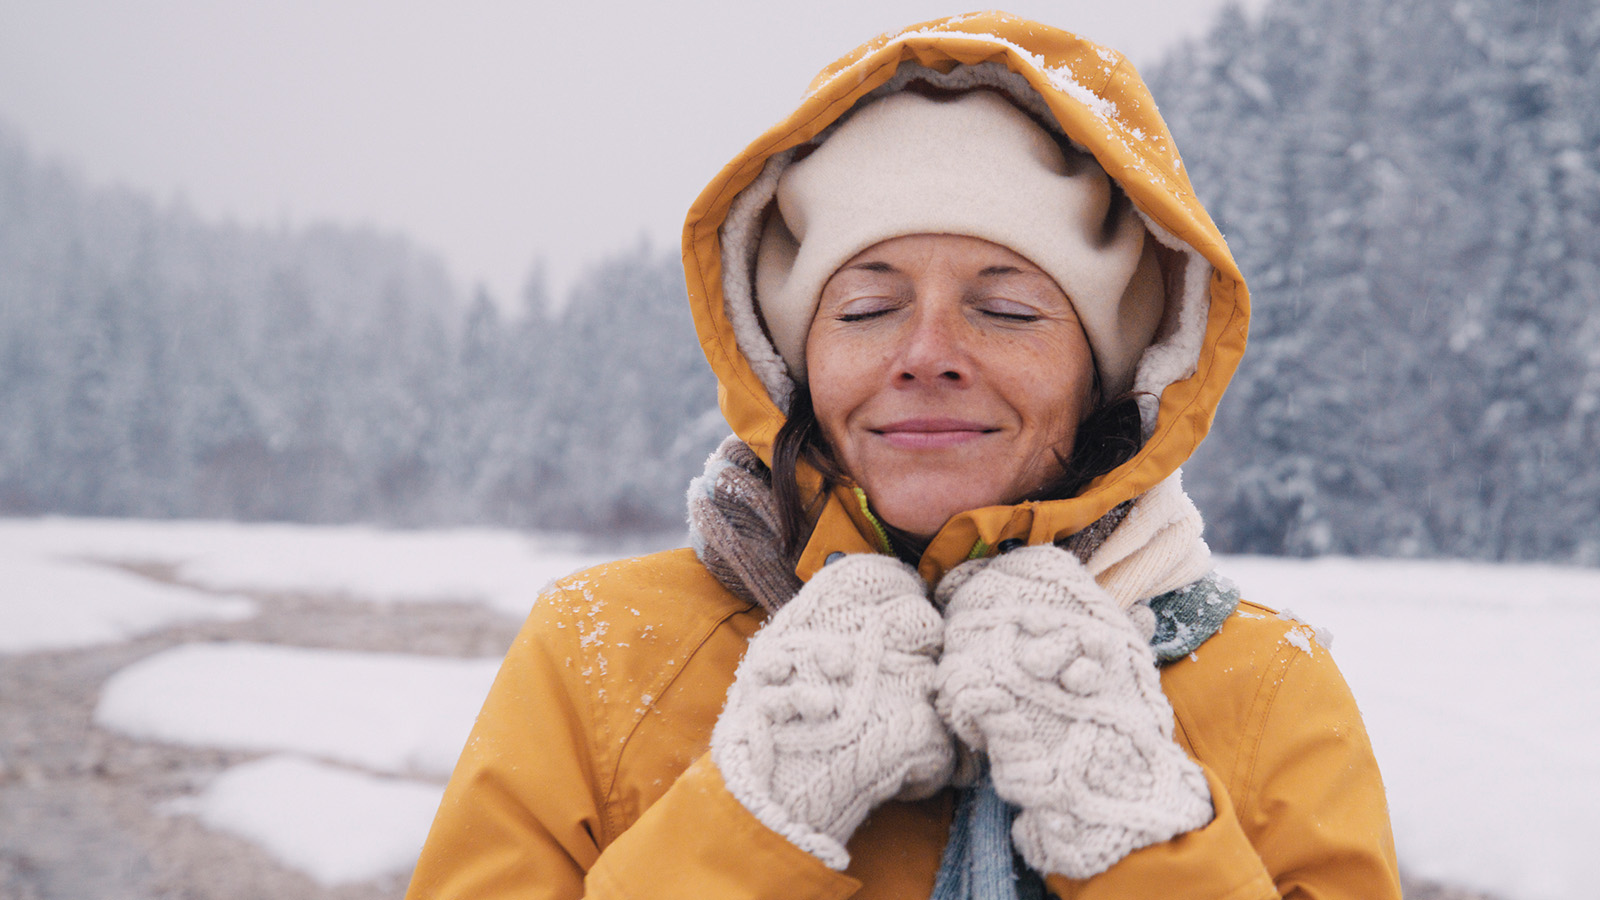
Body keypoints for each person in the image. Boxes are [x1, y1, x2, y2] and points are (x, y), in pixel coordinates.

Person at [405, 12, 1400, 900]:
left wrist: (1129, 822)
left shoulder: (1268, 688)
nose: (927, 357)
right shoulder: (601, 652)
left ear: (1105, 369)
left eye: (1005, 310)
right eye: (867, 309)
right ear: (795, 361)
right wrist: (754, 814)